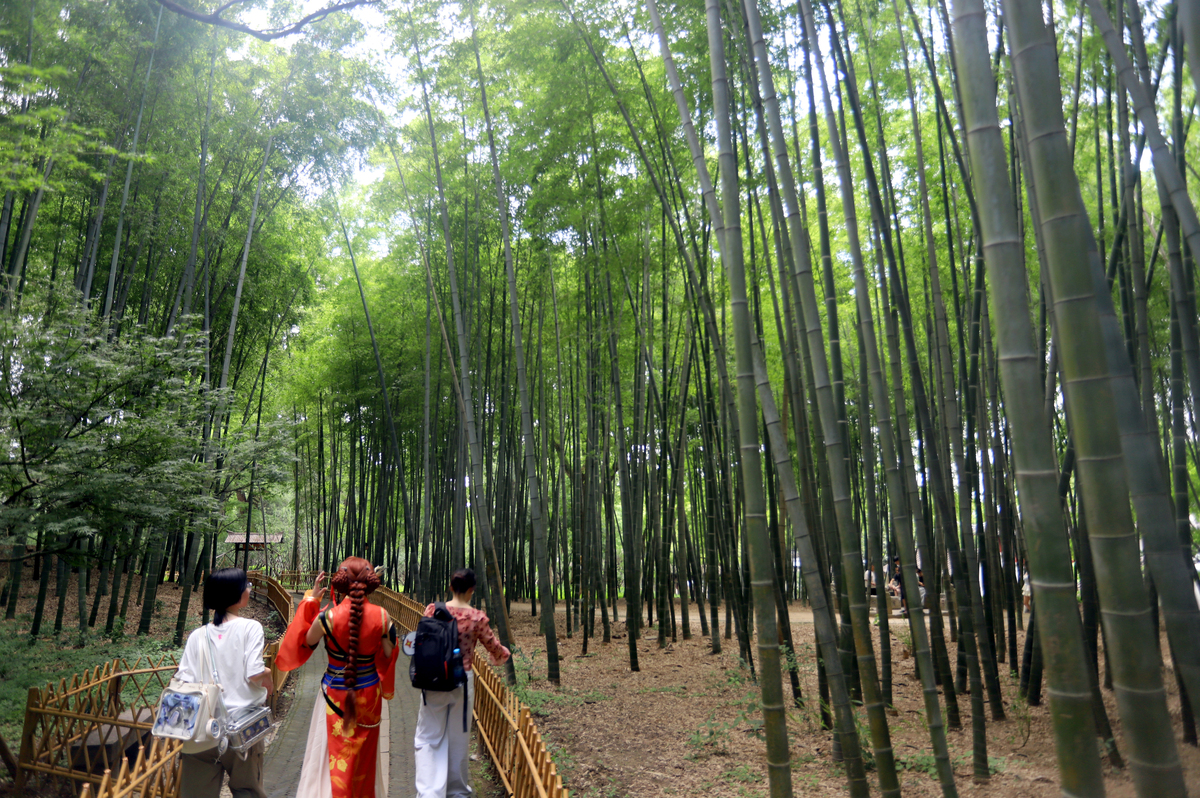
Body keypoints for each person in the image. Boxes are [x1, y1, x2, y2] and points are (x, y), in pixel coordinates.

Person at [277, 557, 399, 798]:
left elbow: (305, 642)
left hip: (334, 693)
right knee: (364, 757)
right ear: (369, 582)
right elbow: (389, 653)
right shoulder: (383, 617)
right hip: (369, 696)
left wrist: (311, 601)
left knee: (327, 753)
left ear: (341, 583)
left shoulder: (327, 618)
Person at [174, 567, 273, 798]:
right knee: (248, 791)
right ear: (237, 594)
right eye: (246, 585)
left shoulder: (197, 635)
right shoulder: (251, 627)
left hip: (202, 731)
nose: (249, 588)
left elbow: (182, 681)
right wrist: (267, 673)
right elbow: (254, 673)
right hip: (243, 729)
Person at [415, 568, 511, 798]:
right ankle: (456, 791)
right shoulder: (477, 617)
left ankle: (428, 792)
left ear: (450, 587)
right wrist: (502, 654)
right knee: (458, 736)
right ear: (471, 590)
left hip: (433, 678)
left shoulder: (432, 609)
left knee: (428, 735)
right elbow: (494, 647)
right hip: (461, 679)